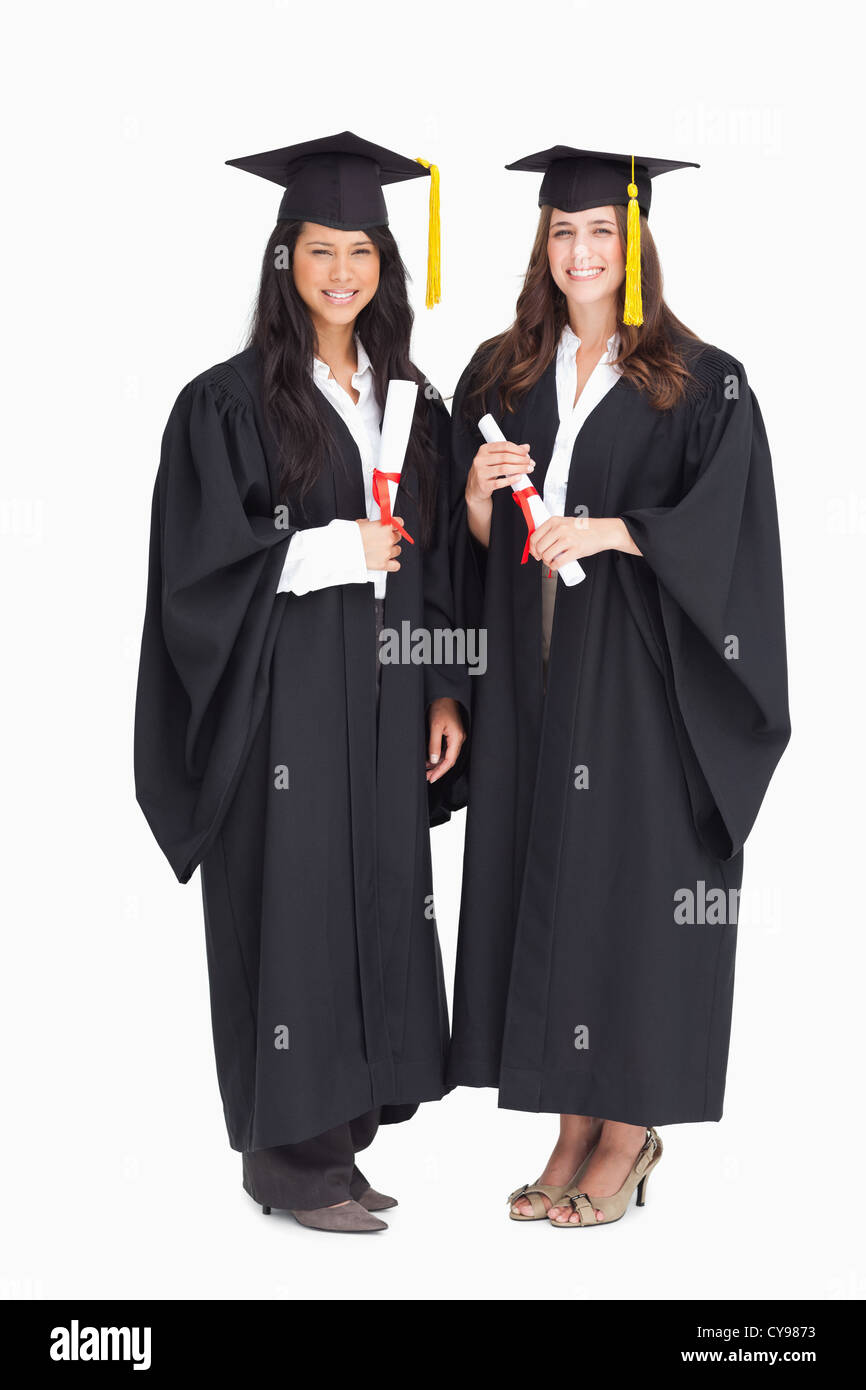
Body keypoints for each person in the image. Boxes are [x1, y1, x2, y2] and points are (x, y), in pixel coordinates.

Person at [446, 144, 790, 1227]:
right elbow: (461, 551)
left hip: (643, 687)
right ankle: (566, 1116)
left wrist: (618, 529)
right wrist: (471, 492)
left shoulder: (699, 378)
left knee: (629, 890)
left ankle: (628, 1124)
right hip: (534, 682)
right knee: (553, 882)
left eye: (600, 232)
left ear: (633, 244)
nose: (580, 251)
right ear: (540, 245)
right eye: (562, 232)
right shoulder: (497, 375)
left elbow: (730, 534)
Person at [134, 131, 468, 1233]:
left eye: (359, 249)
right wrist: (324, 548)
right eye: (318, 249)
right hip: (277, 713)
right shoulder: (225, 403)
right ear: (284, 262)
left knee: (372, 896)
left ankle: (342, 1140)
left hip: (380, 707)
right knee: (290, 910)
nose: (340, 270)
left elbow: (436, 564)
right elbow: (198, 570)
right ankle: (285, 1162)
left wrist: (440, 690)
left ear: (383, 264)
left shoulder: (409, 398)